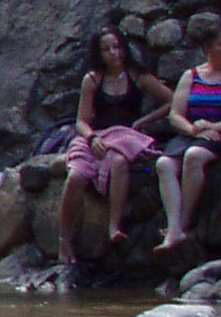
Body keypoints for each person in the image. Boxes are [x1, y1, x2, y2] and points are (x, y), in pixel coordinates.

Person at [58, 28, 172, 268]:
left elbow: (173, 100)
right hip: (97, 137)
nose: (114, 53)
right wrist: (91, 138)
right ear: (99, 53)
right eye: (107, 49)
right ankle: (64, 240)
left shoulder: (138, 76)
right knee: (75, 177)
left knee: (120, 161)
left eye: (117, 47)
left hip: (126, 138)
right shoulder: (93, 80)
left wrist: (145, 121)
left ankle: (114, 226)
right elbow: (81, 121)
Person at [155, 21, 221, 254]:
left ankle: (182, 224)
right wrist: (193, 129)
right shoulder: (191, 75)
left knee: (194, 156)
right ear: (208, 48)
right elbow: (175, 114)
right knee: (163, 164)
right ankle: (174, 225)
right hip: (195, 133)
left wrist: (215, 126)